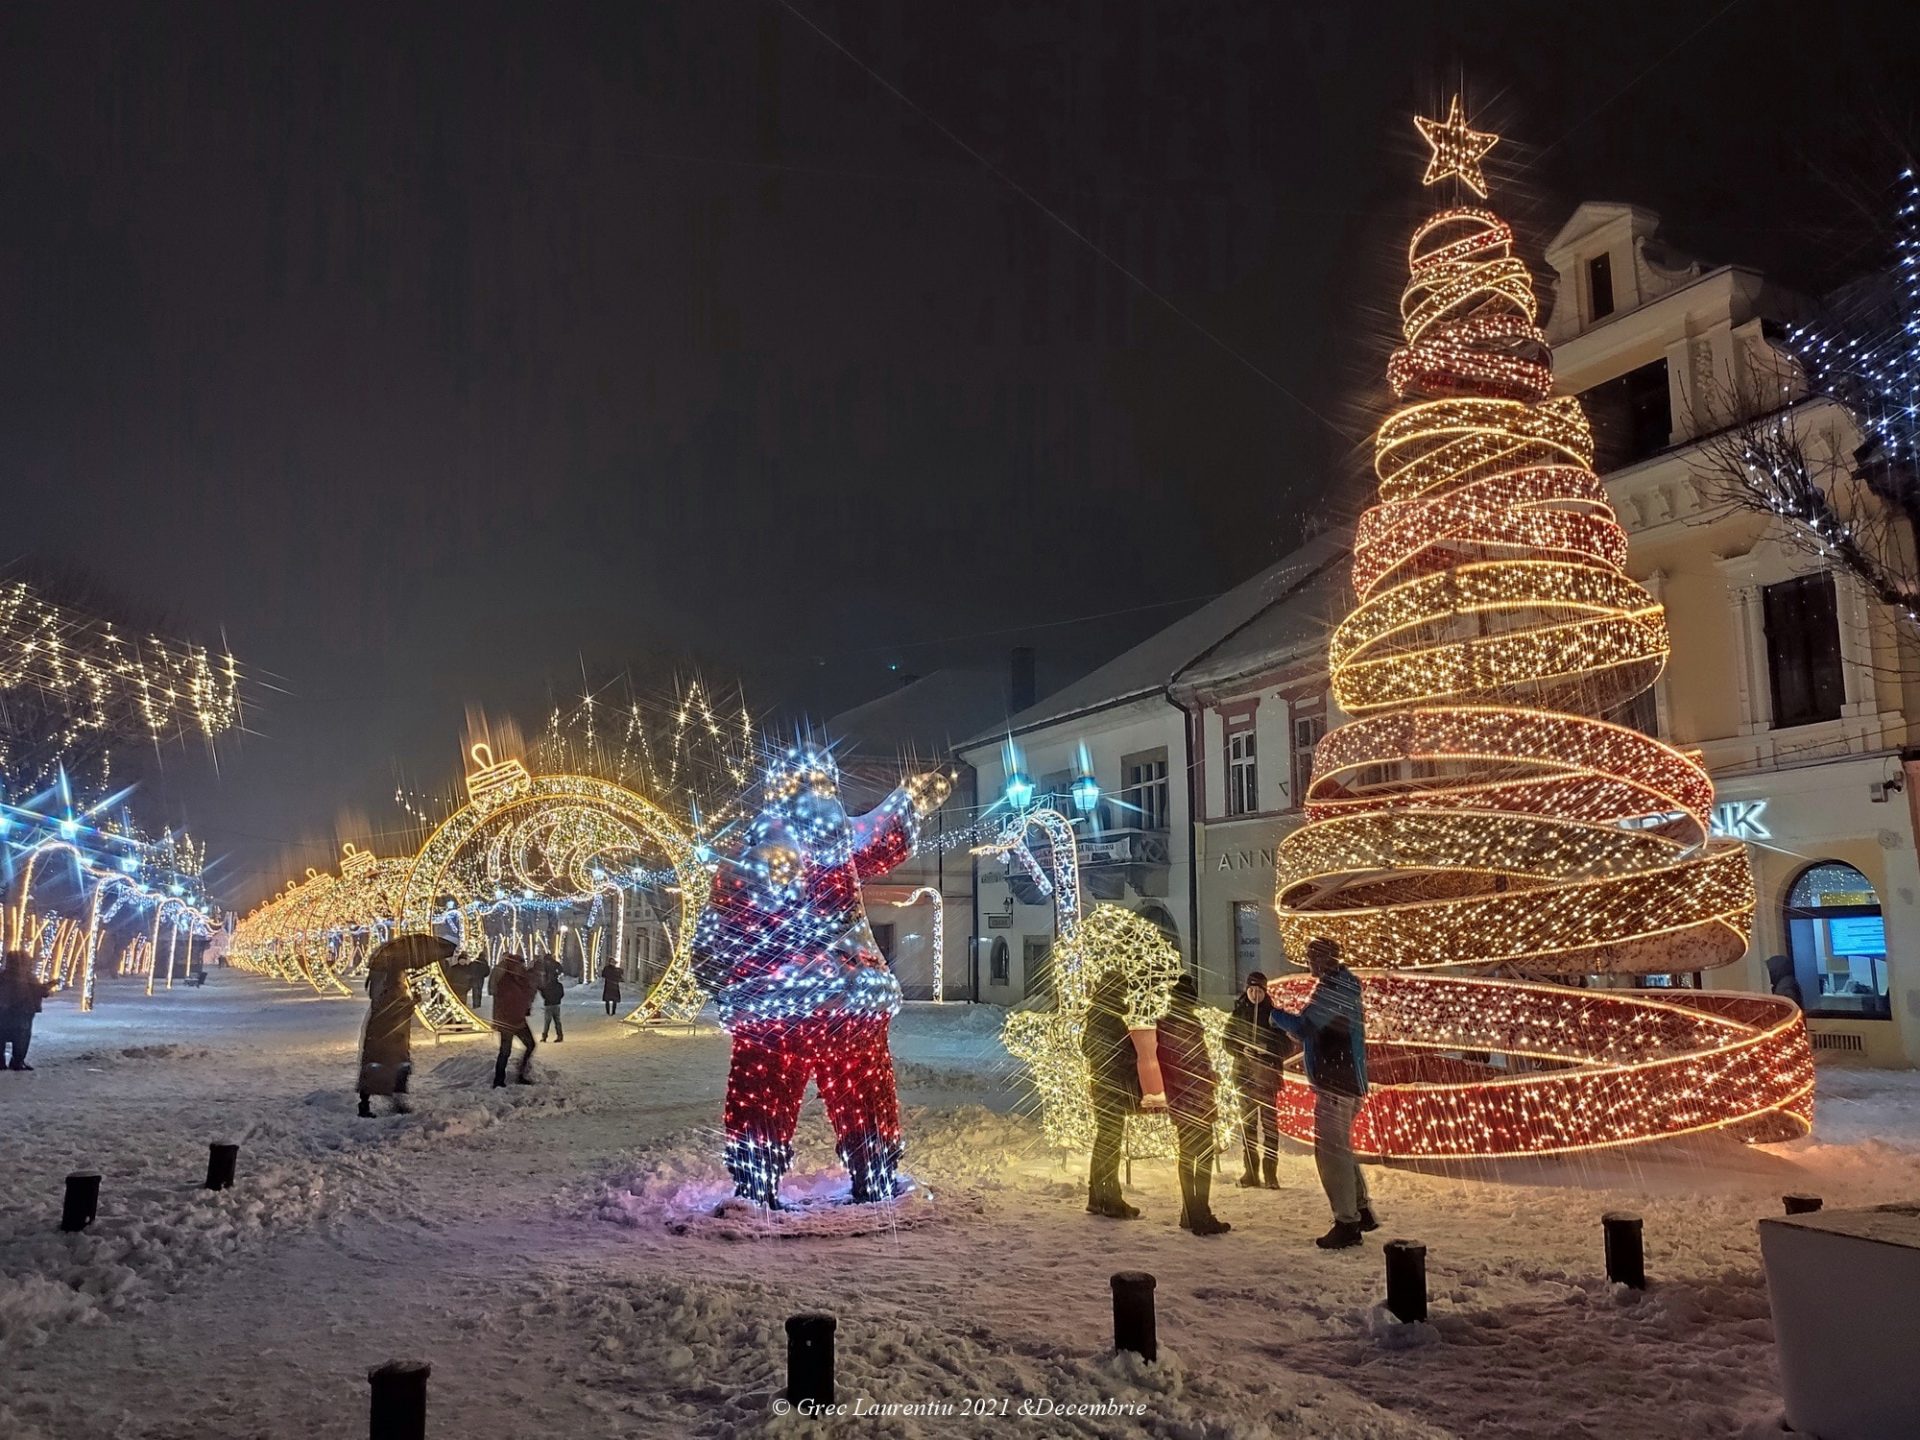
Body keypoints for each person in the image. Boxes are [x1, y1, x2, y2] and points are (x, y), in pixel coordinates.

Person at [691, 745, 950, 1207]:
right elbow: (883, 834)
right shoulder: (829, 838)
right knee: (861, 1090)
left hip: (776, 1002)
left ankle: (758, 1184)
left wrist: (711, 958)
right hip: (844, 998)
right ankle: (872, 1174)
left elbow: (722, 914)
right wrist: (910, 799)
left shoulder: (753, 846)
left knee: (764, 1093)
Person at [1268, 936, 1377, 1249]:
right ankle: (1359, 1208)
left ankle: (1347, 1222)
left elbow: (1304, 1027)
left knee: (1330, 1154)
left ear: (1327, 958)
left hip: (1335, 1083)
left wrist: (1274, 1014)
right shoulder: (1341, 985)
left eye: (1312, 956)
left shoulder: (1335, 988)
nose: (1308, 962)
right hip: (1344, 1081)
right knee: (1340, 1148)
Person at [1157, 974, 1230, 1235]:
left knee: (1189, 1156)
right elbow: (1190, 1065)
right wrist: (1208, 1078)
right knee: (1201, 1156)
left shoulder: (1167, 1025)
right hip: (1195, 1100)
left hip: (1182, 1100)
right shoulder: (1185, 1026)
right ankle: (1199, 1213)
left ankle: (1192, 1211)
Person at [1082, 971, 1144, 1218]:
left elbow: (1089, 1048)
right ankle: (1111, 1199)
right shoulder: (1108, 1017)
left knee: (1105, 1140)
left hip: (1103, 1086)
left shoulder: (1099, 1014)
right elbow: (1102, 1051)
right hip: (1111, 1088)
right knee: (1110, 1142)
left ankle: (1097, 1197)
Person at [1227, 970, 1290, 1189]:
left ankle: (1270, 1172)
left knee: (1270, 1127)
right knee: (1249, 1126)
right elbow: (1226, 1041)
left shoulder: (1273, 1015)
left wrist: (1267, 1049)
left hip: (1267, 1079)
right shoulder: (1238, 1013)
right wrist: (1240, 1049)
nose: (1254, 994)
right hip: (1244, 1078)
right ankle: (1250, 1172)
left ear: (1265, 991)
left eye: (1259, 990)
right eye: (1251, 989)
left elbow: (1286, 1046)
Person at [357, 965, 417, 1117]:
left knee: (391, 1070)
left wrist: (411, 1003)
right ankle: (367, 1106)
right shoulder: (393, 992)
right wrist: (411, 1003)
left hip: (389, 1041)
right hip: (388, 1042)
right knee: (384, 1070)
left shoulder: (388, 992)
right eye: (402, 976)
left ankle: (386, 1103)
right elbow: (394, 1013)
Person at [0, 950, 53, 1071]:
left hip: (3, 1013)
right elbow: (41, 991)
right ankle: (17, 1062)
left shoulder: (2, 976)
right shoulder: (29, 978)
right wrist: (48, 986)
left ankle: (1, 1062)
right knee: (21, 1038)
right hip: (22, 1014)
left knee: (1, 1037)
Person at [491, 951, 537, 1087]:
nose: (522, 969)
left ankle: (514, 1076)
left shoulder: (519, 979)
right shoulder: (506, 981)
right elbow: (506, 999)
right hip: (508, 1021)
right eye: (520, 966)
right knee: (506, 1051)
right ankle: (500, 1080)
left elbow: (526, 995)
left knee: (527, 1045)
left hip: (516, 1020)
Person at [539, 965, 566, 1042]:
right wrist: (557, 999)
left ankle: (544, 1036)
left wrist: (546, 998)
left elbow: (543, 993)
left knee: (547, 1022)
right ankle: (560, 1035)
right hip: (556, 1004)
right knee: (557, 1021)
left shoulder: (547, 985)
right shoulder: (559, 985)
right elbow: (562, 994)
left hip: (548, 1004)